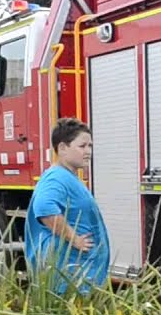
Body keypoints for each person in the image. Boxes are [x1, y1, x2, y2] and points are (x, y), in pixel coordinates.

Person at [24, 118, 111, 295]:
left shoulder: (67, 176)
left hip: (78, 276)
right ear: (63, 148)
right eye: (82, 146)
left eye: (90, 146)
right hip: (68, 279)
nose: (88, 151)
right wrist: (74, 239)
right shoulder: (56, 178)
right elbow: (44, 208)